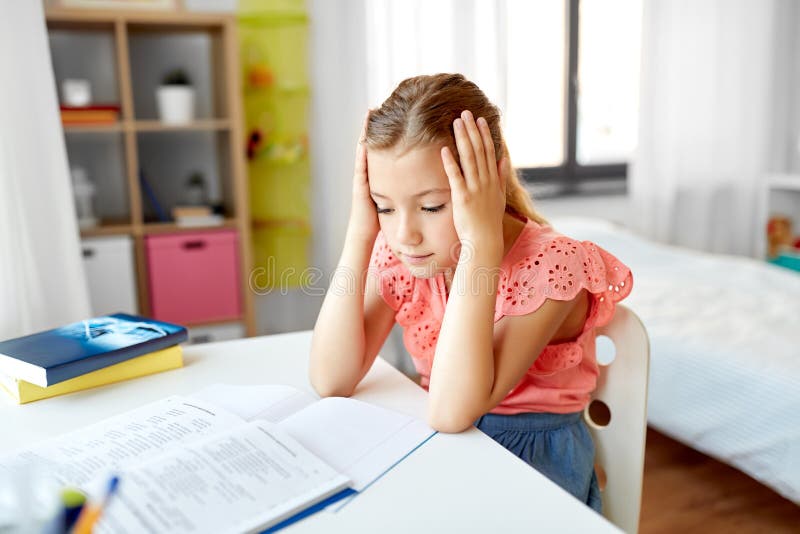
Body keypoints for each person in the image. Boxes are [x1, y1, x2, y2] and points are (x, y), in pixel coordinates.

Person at [309, 73, 632, 511]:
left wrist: (481, 246)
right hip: (447, 446)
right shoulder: (409, 255)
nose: (404, 234)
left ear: (491, 182)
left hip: (529, 466)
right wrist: (360, 232)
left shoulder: (551, 267)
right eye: (384, 205)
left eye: (431, 206)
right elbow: (331, 377)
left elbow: (451, 411)